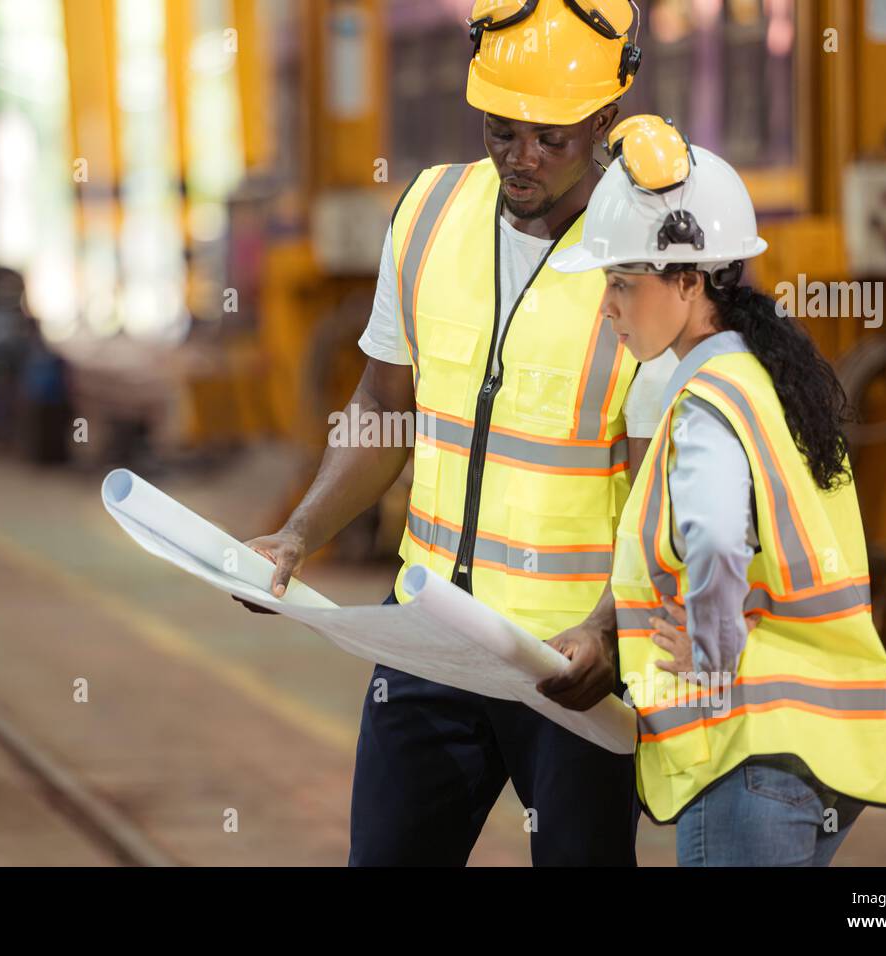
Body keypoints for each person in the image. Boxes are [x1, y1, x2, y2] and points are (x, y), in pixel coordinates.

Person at [242, 0, 677, 866]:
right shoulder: (432, 211)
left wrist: (613, 628)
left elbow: (666, 485)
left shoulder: (648, 257)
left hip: (572, 664)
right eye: (500, 126)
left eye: (548, 137)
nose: (520, 156)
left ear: (605, 120)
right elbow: (381, 406)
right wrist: (296, 537)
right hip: (428, 640)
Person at [546, 117, 886, 865]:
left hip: (748, 748)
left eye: (620, 283)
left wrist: (710, 657)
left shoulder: (707, 400)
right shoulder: (770, 380)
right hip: (827, 747)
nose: (606, 306)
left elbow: (711, 535)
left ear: (687, 280)